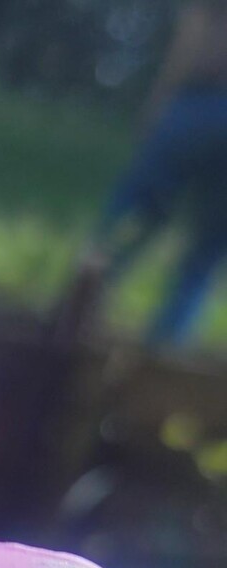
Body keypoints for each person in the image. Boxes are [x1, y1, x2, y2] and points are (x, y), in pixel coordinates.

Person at [69, 2, 227, 347]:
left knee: (134, 211)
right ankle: (163, 350)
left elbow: (191, 41)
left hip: (196, 104)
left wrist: (158, 103)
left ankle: (77, 310)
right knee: (206, 254)